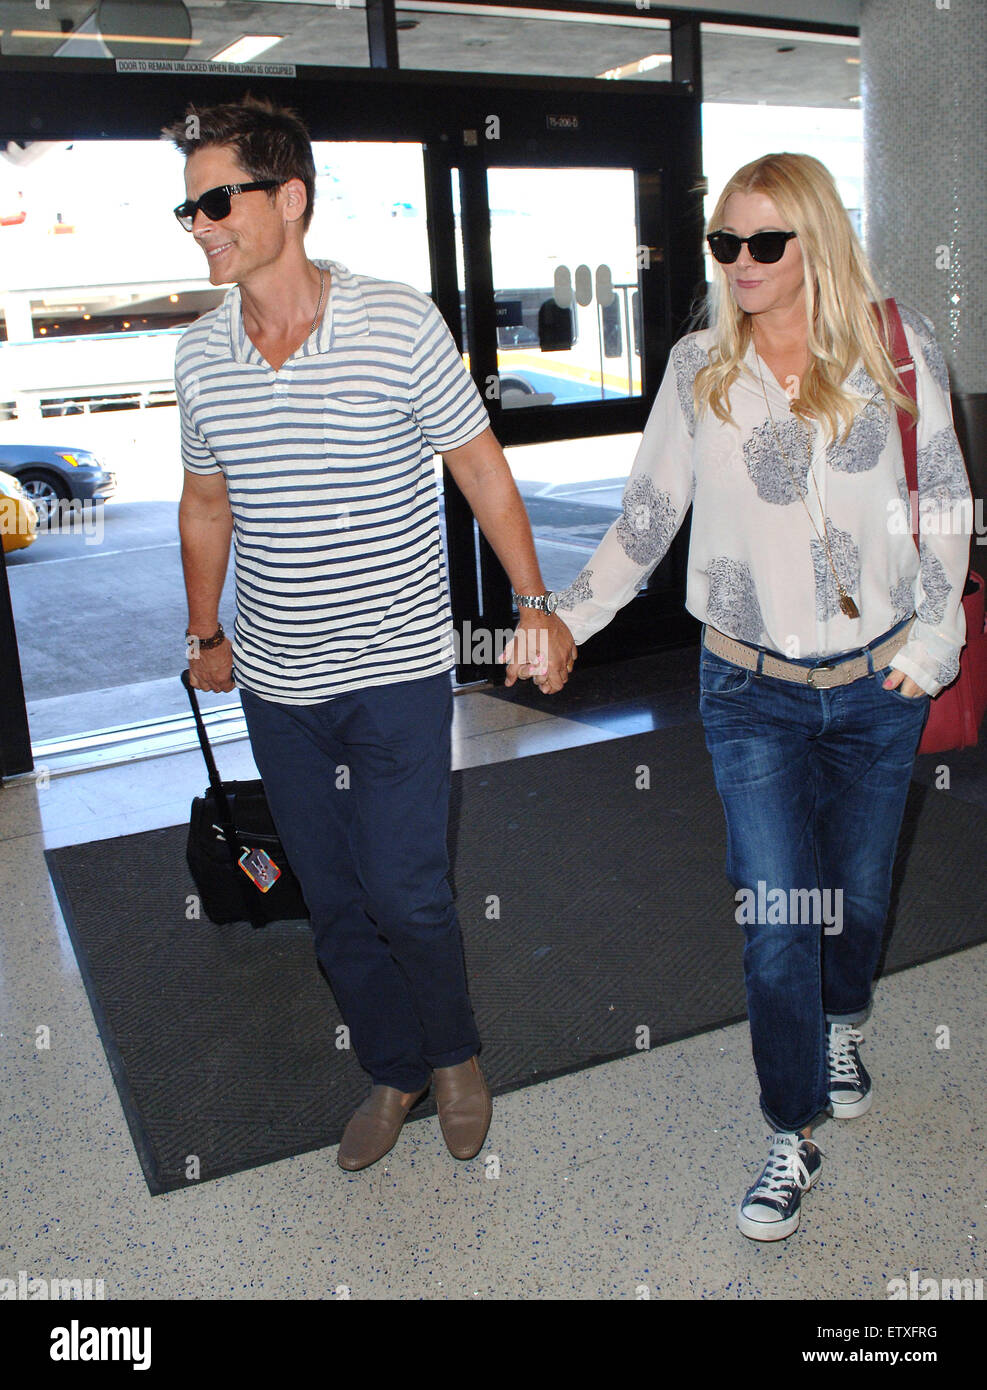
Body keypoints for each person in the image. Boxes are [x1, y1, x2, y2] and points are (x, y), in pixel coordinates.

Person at [548, 152, 971, 1240]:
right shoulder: (700, 369)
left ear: (816, 240)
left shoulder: (894, 345)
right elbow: (646, 521)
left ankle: (844, 1021)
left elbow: (947, 499)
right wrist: (563, 618)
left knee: (859, 900)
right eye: (723, 244)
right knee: (779, 917)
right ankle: (793, 1131)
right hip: (748, 689)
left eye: (764, 243)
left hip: (882, 684)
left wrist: (936, 636)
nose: (739, 262)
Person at [167, 96, 576, 1173]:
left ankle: (455, 1057)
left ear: (288, 198)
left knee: (406, 891)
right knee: (334, 898)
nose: (201, 222)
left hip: (395, 671)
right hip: (277, 682)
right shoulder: (201, 355)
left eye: (219, 199)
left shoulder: (399, 321)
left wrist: (534, 603)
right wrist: (207, 630)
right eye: (189, 206)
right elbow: (205, 503)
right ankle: (393, 1066)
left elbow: (479, 465)